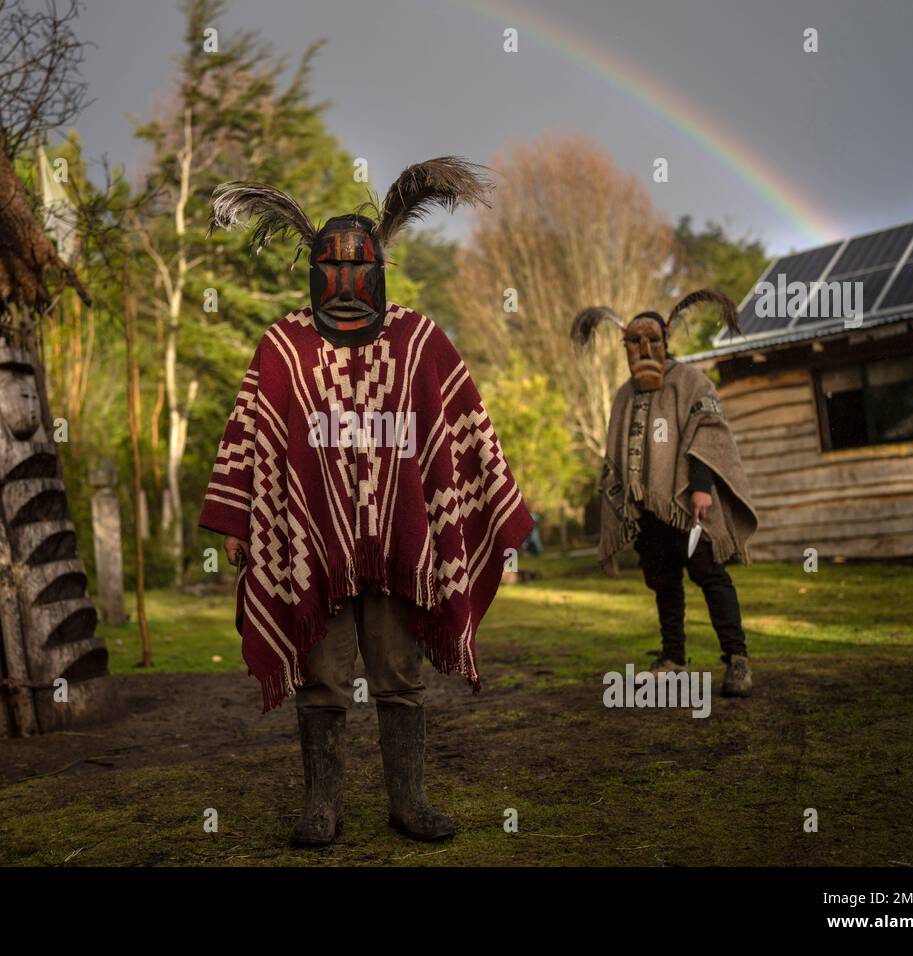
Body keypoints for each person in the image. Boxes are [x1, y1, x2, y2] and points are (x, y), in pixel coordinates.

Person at [201, 158, 534, 844]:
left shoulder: (418, 340)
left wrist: (492, 513)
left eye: (359, 268)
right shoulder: (284, 346)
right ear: (313, 271)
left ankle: (407, 801)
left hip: (400, 544)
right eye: (332, 268)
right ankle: (322, 807)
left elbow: (463, 430)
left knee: (399, 672)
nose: (346, 282)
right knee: (320, 676)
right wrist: (236, 520)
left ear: (380, 271)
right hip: (308, 544)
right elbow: (249, 433)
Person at [572, 291, 759, 697]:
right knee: (664, 584)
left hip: (687, 504)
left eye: (652, 341)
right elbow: (617, 452)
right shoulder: (624, 394)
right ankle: (673, 658)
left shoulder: (690, 382)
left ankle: (737, 660)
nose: (644, 350)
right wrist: (626, 503)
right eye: (634, 343)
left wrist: (701, 488)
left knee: (710, 577)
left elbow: (707, 434)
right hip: (647, 511)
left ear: (666, 339)